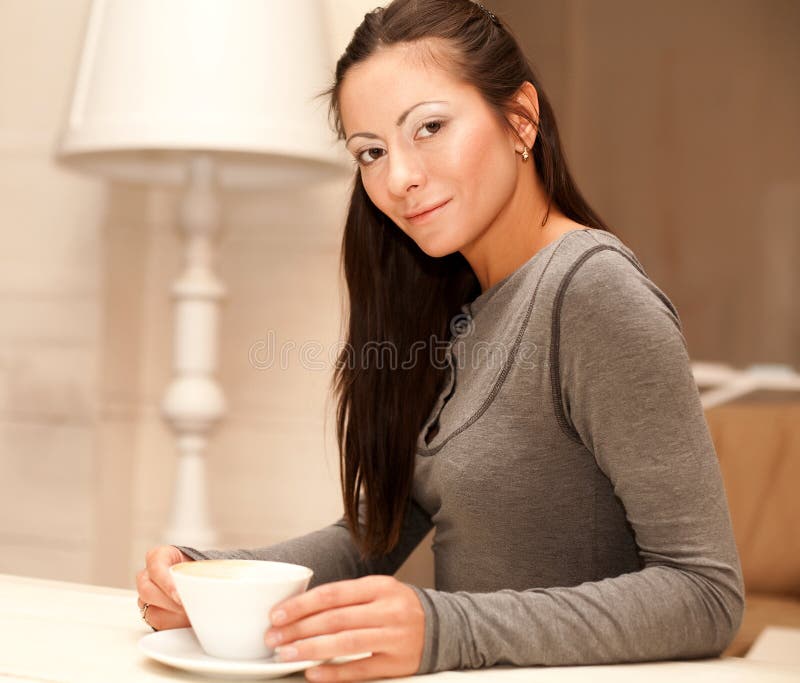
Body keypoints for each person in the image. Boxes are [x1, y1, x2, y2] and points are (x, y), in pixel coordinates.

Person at [136, 1, 744, 680]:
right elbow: (373, 537)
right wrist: (210, 578)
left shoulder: (589, 290)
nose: (398, 179)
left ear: (520, 118)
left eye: (429, 127)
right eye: (371, 152)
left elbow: (706, 594)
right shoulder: (459, 307)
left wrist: (445, 627)